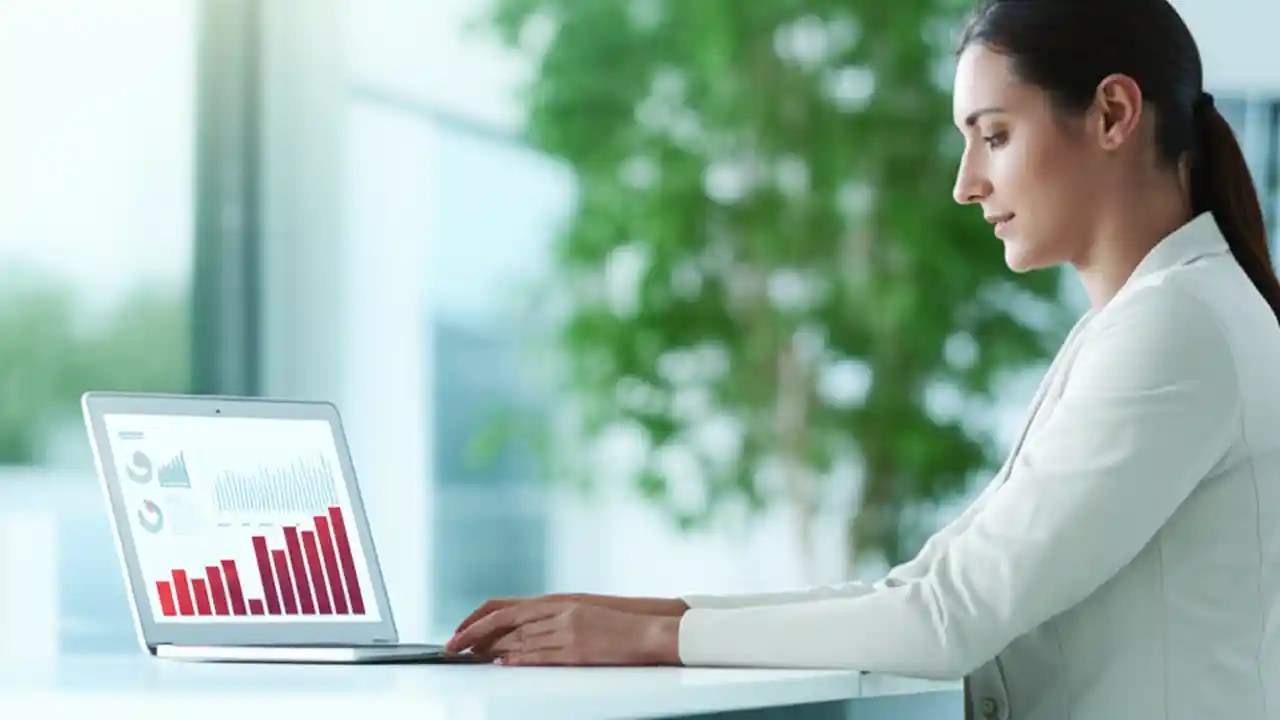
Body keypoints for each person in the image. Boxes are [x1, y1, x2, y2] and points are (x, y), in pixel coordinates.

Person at [446, 0, 1280, 717]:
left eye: (993, 135)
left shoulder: (1177, 328)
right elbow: (921, 588)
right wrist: (645, 612)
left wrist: (655, 636)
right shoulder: (1157, 316)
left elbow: (951, 616)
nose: (966, 182)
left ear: (1111, 114)